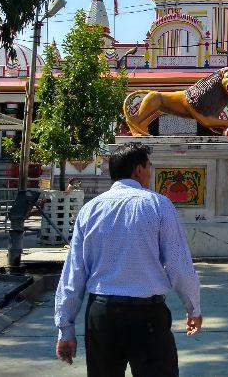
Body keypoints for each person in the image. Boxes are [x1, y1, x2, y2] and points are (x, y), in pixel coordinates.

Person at [54, 142, 202, 375]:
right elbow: (178, 265)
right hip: (147, 317)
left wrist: (65, 328)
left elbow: (74, 273)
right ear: (138, 170)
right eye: (149, 167)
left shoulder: (90, 209)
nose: (150, 173)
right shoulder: (158, 205)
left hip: (102, 315)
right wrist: (193, 308)